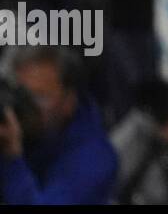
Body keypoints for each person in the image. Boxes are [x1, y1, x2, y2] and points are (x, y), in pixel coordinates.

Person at [0, 46, 118, 204]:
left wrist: (11, 159)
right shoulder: (18, 129)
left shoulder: (94, 159)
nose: (25, 106)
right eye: (20, 94)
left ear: (69, 102)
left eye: (39, 97)